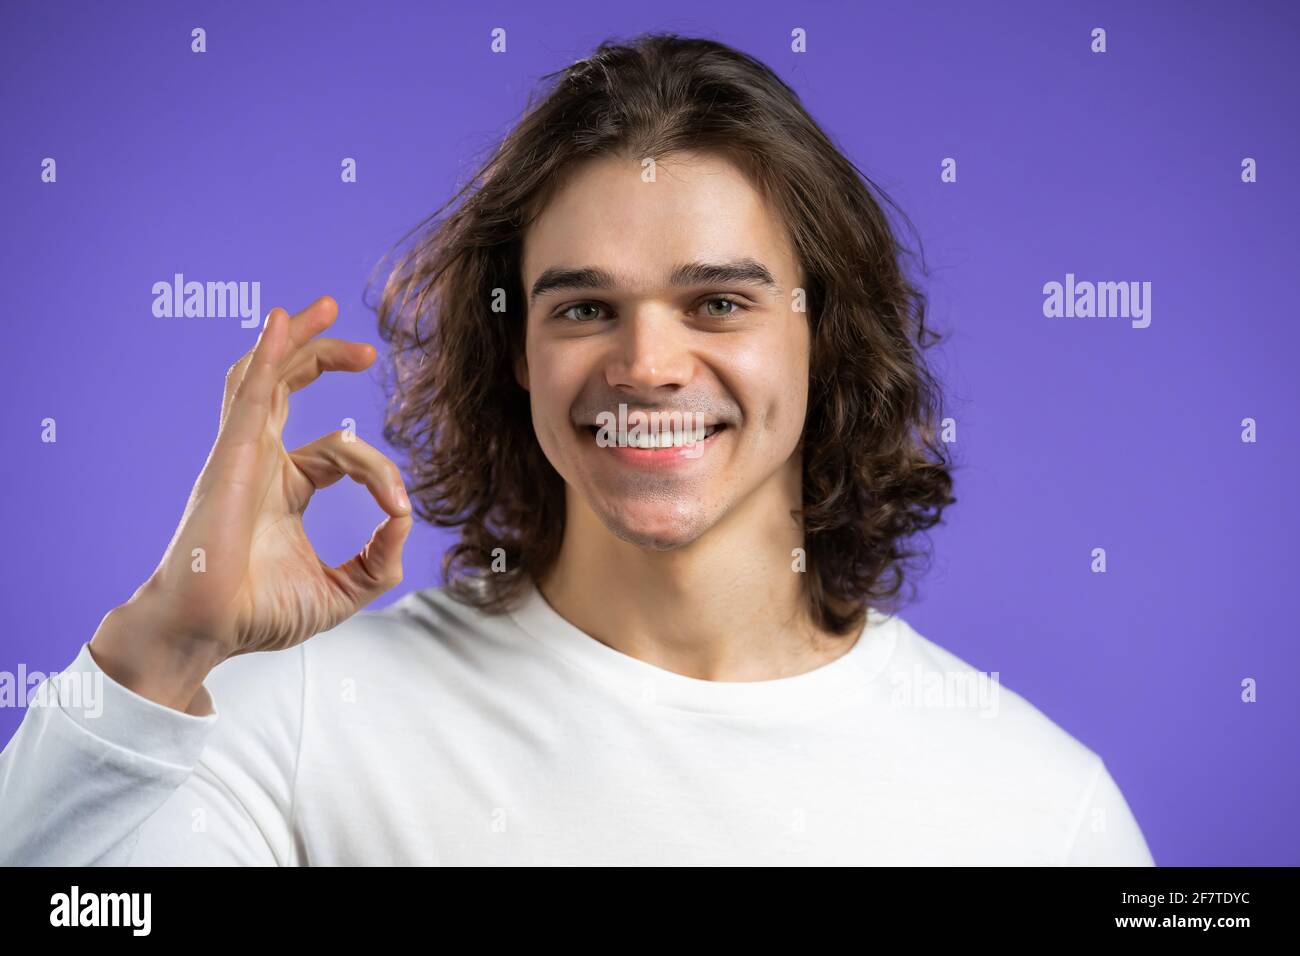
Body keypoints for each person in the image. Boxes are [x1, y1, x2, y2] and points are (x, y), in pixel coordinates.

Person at [0, 33, 1154, 866]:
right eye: (584, 307)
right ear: (517, 350)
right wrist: (162, 645)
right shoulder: (301, 722)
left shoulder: (1038, 809)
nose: (646, 362)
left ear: (825, 334)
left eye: (717, 303)